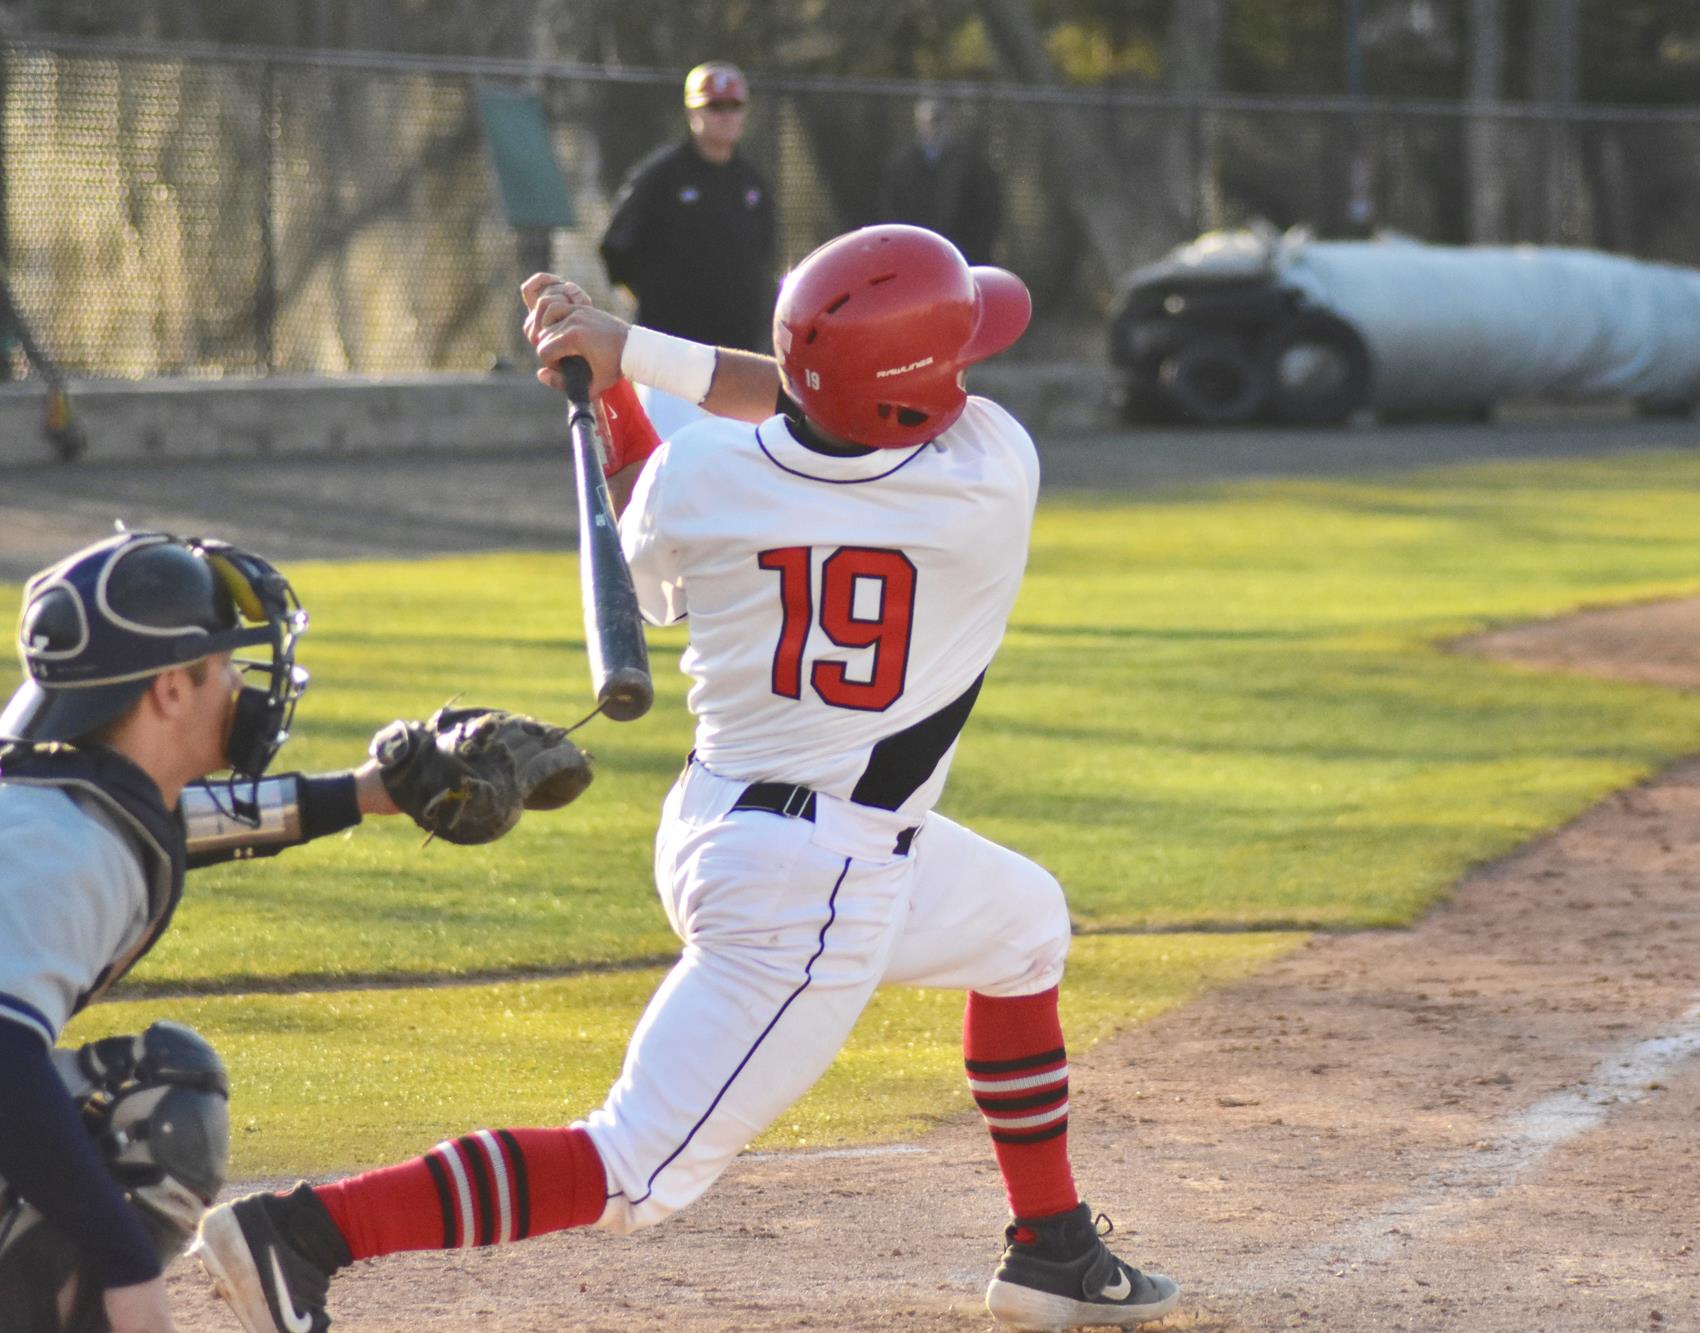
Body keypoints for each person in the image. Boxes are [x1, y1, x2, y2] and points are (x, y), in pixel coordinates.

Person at [194, 225, 1181, 1333]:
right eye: (953, 358)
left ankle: (1051, 1249)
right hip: (815, 883)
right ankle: (305, 1231)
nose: (972, 371)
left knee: (1022, 925)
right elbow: (805, 401)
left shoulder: (702, 474)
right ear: (913, 398)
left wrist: (612, 381)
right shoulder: (989, 475)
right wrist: (636, 358)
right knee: (635, 1171)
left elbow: (662, 536)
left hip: (723, 818)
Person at [0, 532, 588, 1333]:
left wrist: (372, 790)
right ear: (171, 689)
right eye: (226, 666)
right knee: (155, 1105)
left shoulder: (56, 808)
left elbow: (176, 829)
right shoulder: (67, 844)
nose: (246, 685)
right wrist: (130, 1274)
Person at [599, 60, 776, 441]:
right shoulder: (661, 176)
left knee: (733, 469)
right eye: (714, 106)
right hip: (670, 358)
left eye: (734, 106)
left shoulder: (753, 184)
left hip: (737, 358)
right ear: (692, 111)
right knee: (668, 460)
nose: (725, 116)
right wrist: (648, 298)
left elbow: (764, 258)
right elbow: (615, 247)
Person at [880, 97, 1002, 266]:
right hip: (914, 254)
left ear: (950, 121)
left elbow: (986, 211)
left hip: (961, 255)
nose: (933, 127)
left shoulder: (971, 163)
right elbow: (891, 208)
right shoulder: (902, 163)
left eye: (938, 120)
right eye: (928, 121)